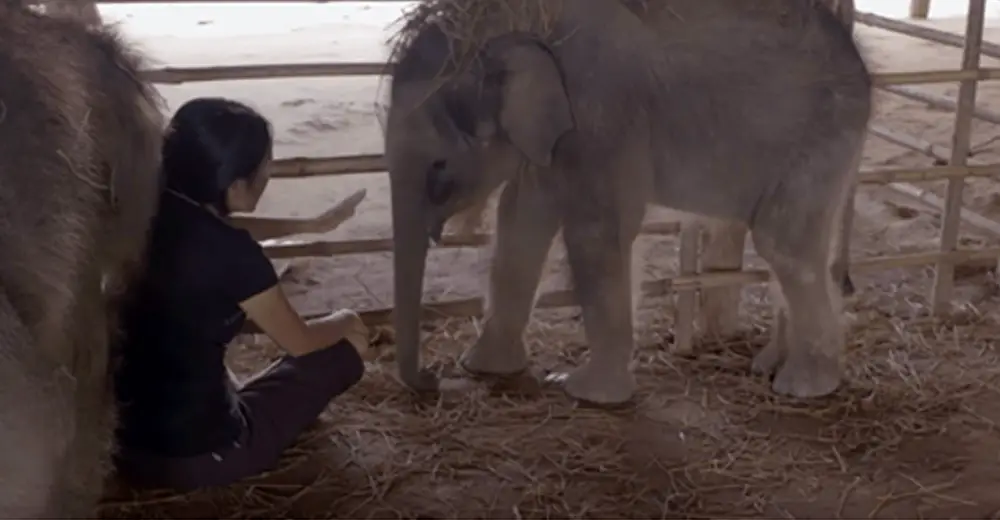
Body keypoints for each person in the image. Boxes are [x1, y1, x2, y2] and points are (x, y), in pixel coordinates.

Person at [113, 97, 370, 491]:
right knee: (347, 339)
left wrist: (311, 224)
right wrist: (346, 319)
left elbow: (218, 231)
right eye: (264, 167)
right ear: (235, 184)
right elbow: (299, 343)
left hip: (125, 447)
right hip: (206, 456)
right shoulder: (237, 257)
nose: (268, 173)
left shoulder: (143, 214)